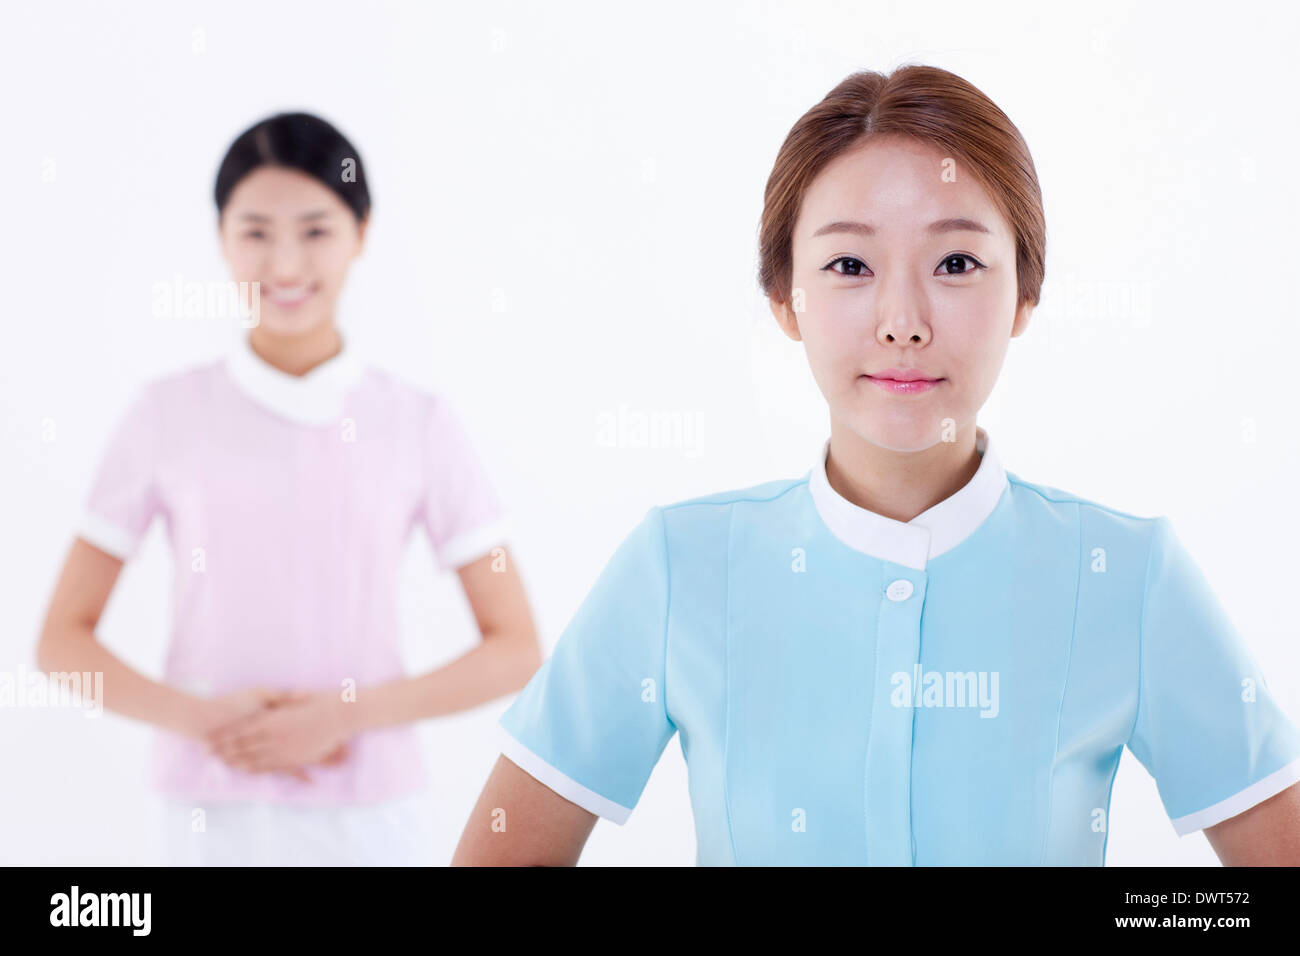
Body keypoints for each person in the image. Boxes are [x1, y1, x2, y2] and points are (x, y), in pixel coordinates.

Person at [452, 65, 1300, 866]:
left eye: (957, 263)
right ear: (786, 298)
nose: (902, 321)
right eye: (849, 266)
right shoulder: (681, 566)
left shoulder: (1124, 573)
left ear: (1025, 295)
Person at [37, 112, 541, 866]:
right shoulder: (165, 416)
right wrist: (207, 721)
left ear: (360, 233)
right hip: (206, 815)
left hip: (369, 817)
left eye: (314, 230)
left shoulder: (417, 423)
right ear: (221, 238)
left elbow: (516, 646)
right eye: (255, 232)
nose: (284, 262)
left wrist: (345, 715)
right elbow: (60, 641)